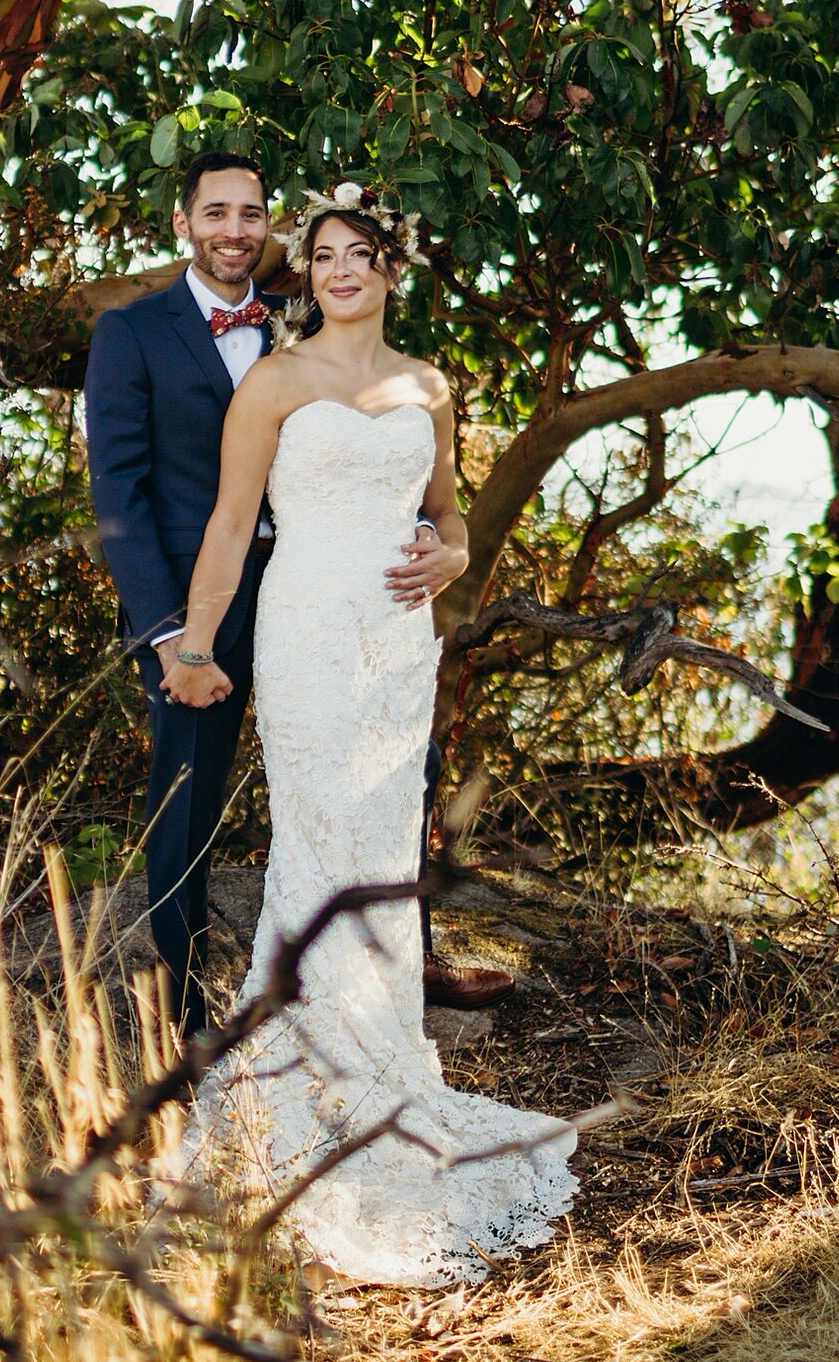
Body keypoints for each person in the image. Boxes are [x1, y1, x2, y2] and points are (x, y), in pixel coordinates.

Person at [169, 185, 577, 1287]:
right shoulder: (274, 381)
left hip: (399, 648)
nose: (341, 270)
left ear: (394, 269)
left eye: (362, 254)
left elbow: (448, 519)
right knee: (317, 838)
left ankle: (386, 1058)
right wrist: (195, 643)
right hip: (303, 633)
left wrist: (449, 559)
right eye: (324, 254)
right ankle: (303, 1073)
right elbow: (226, 523)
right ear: (305, 272)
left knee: (383, 846)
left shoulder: (428, 387)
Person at [85, 153, 510, 1034]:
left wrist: (449, 546)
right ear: (185, 222)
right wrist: (175, 636)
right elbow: (122, 501)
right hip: (212, 598)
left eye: (250, 214)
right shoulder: (134, 333)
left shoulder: (309, 323)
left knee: (406, 776)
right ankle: (183, 1007)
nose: (234, 230)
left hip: (356, 599)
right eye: (216, 213)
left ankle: (406, 965)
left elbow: (438, 500)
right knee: (190, 794)